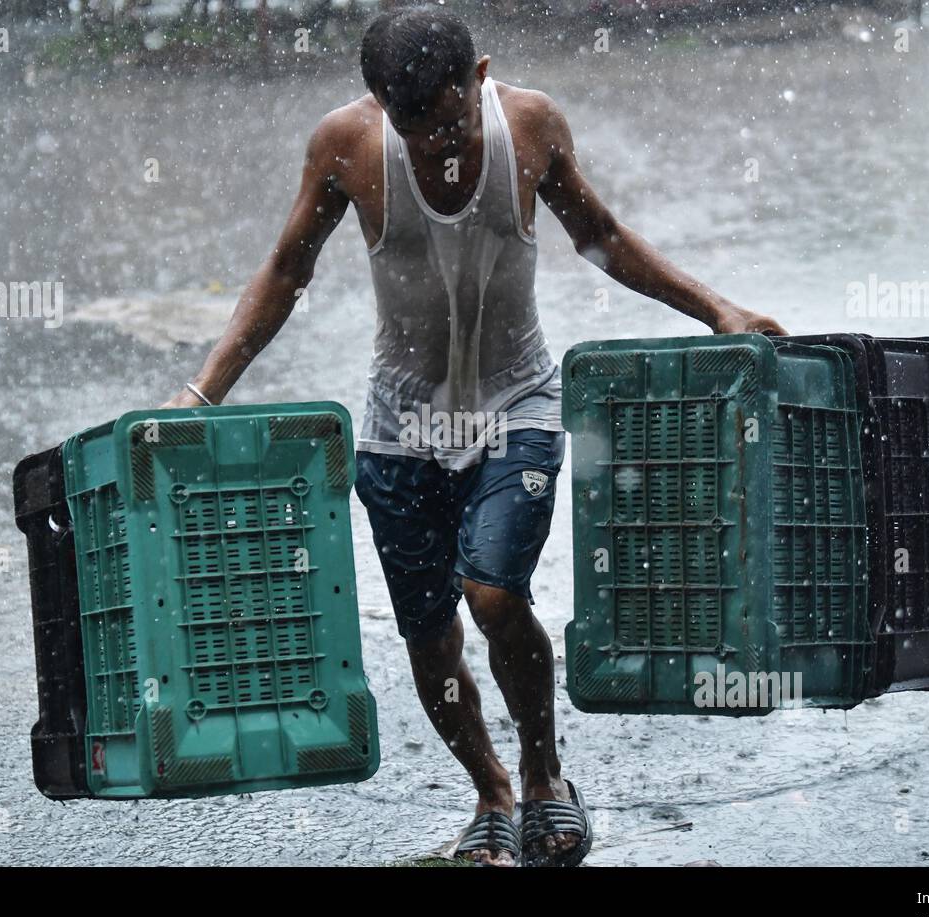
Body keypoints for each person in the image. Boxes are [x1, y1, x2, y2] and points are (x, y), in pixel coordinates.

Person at [166, 5, 786, 866]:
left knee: (493, 594)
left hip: (516, 404)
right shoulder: (346, 147)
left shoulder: (529, 124)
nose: (438, 146)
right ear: (380, 104)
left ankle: (543, 777)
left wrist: (716, 307)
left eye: (452, 121)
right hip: (399, 426)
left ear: (481, 77)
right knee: (431, 636)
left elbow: (598, 238)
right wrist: (202, 395)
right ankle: (490, 791)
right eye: (416, 131)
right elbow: (286, 272)